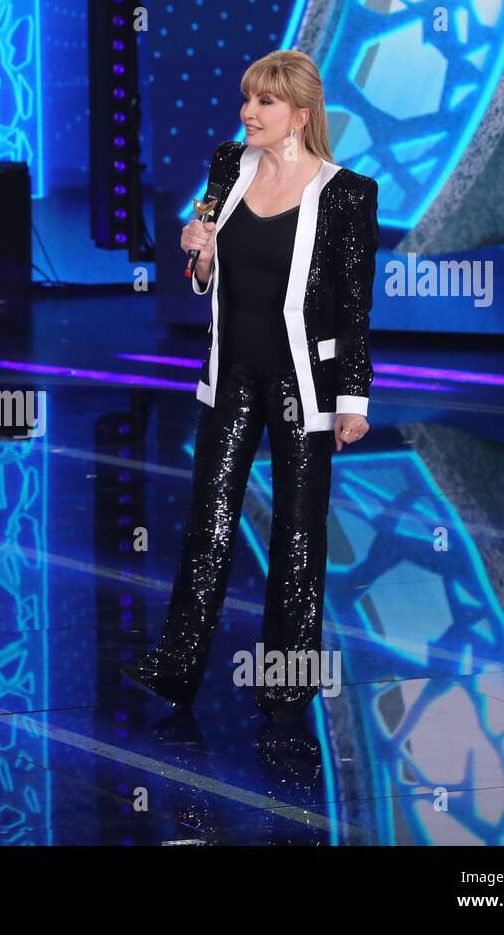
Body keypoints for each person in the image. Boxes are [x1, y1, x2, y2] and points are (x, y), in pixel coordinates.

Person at [121, 50, 379, 720]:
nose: (248, 113)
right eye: (246, 100)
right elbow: (209, 275)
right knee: (207, 523)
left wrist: (352, 399)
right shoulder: (227, 166)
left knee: (298, 531)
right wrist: (199, 257)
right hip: (231, 371)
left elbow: (354, 305)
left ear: (299, 113)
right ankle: (176, 667)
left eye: (263, 103)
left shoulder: (346, 193)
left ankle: (287, 680)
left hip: (304, 380)